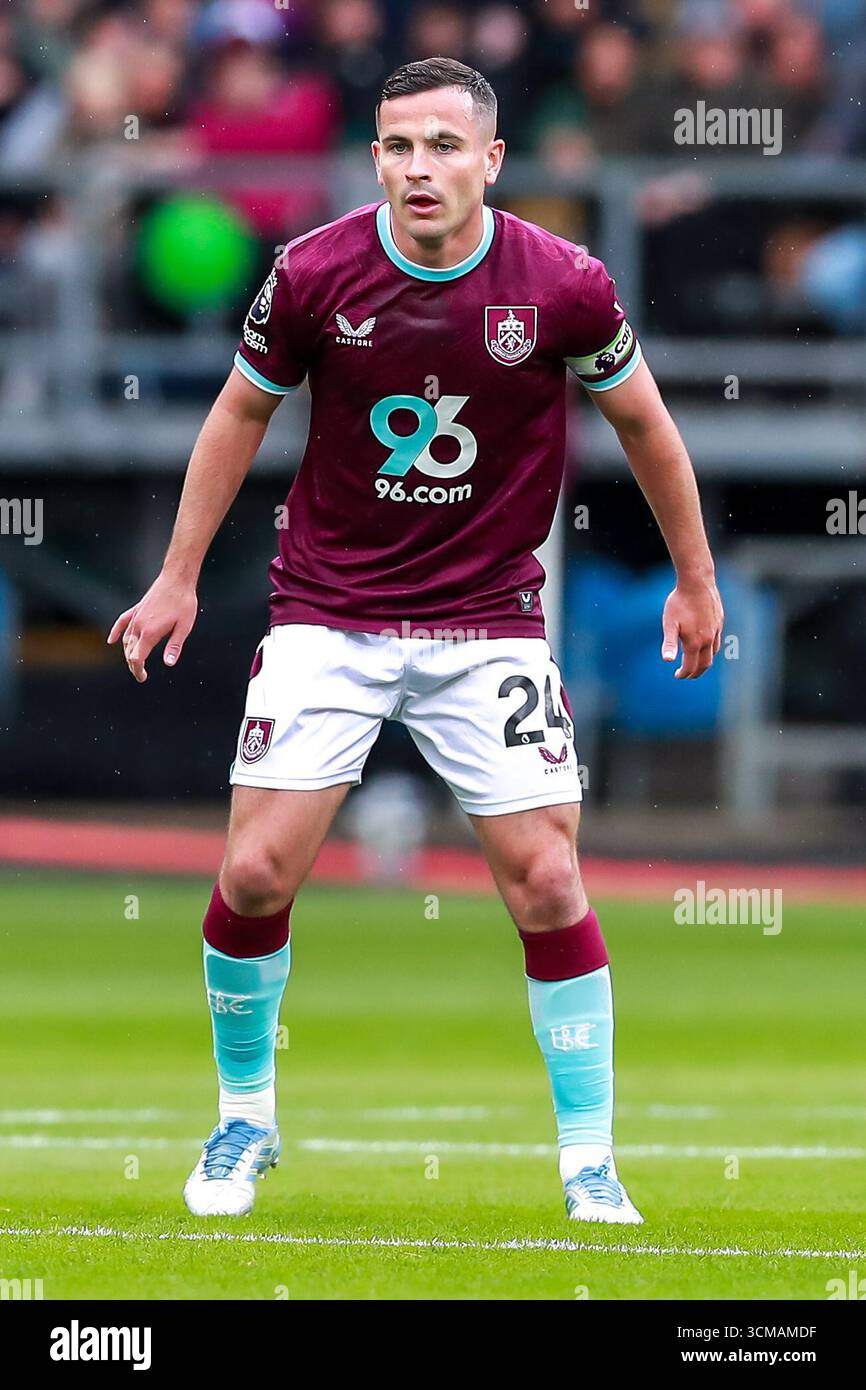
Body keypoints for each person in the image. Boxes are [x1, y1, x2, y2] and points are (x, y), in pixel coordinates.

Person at [109, 57, 723, 1225]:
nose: (417, 168)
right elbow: (239, 412)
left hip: (486, 621)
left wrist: (694, 579)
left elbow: (644, 423)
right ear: (374, 157)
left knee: (546, 879)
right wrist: (177, 575)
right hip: (328, 613)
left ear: (491, 160)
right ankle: (246, 1118)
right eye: (397, 145)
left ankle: (587, 1159)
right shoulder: (312, 272)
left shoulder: (563, 284)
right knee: (250, 871)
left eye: (443, 145)